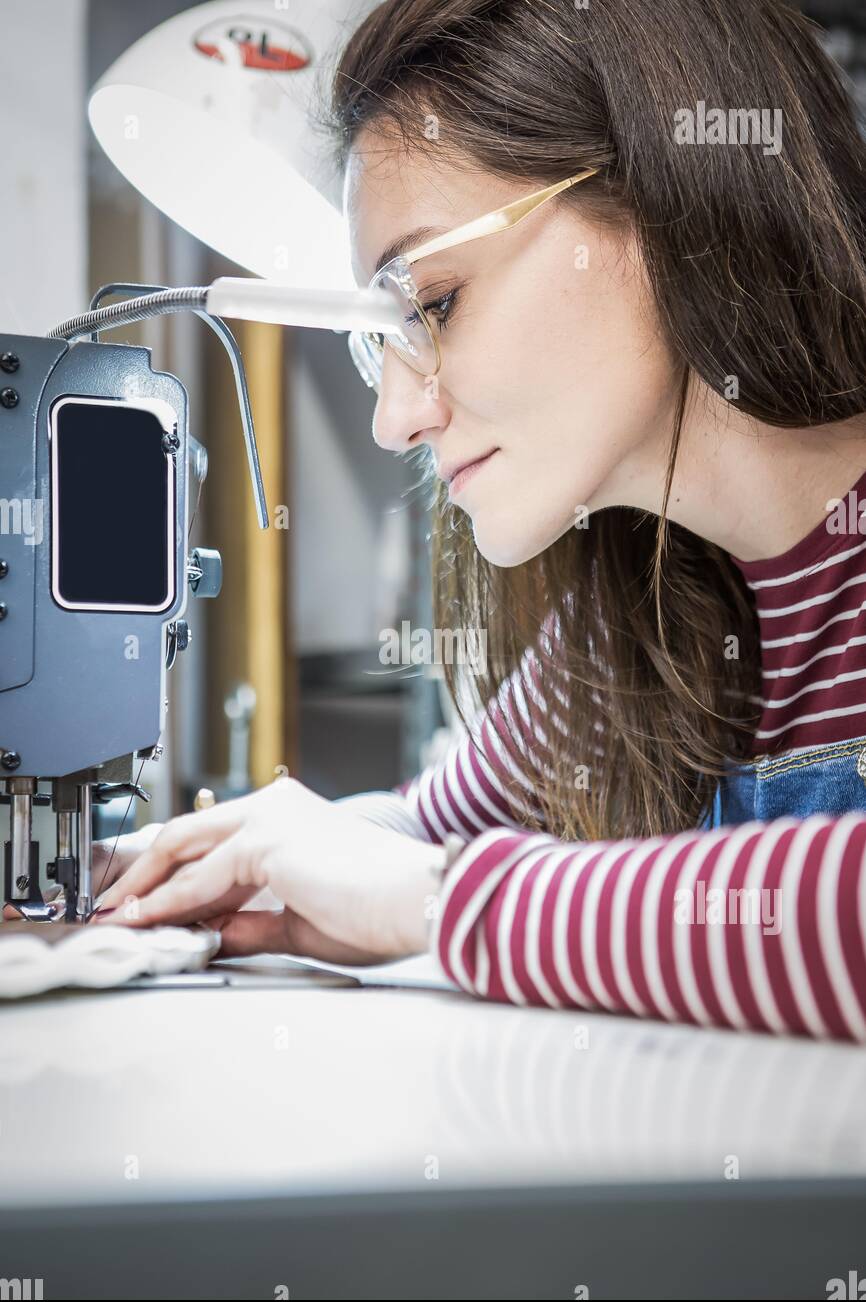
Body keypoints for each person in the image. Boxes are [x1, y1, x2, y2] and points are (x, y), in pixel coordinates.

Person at [88, 0, 866, 1040]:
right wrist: (143, 878)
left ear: (664, 190)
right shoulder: (642, 621)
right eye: (383, 338)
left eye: (435, 303)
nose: (393, 419)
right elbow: (415, 826)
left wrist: (435, 900)